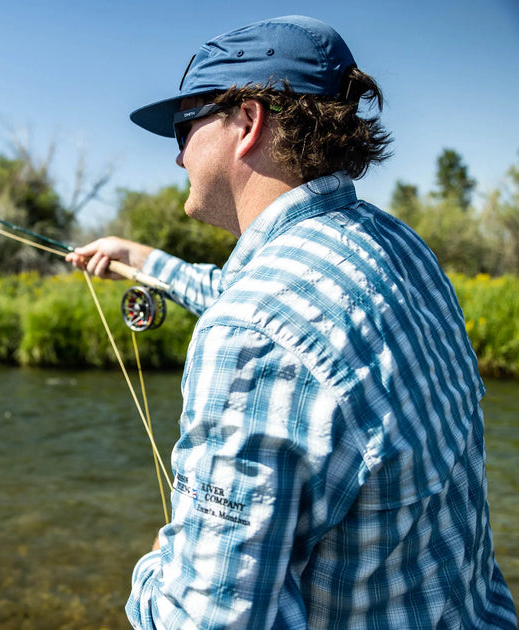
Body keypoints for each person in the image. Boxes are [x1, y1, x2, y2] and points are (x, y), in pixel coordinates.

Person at [67, 15, 516, 629]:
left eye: (184, 125)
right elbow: (256, 300)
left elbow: (207, 621)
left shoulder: (248, 333)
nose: (175, 154)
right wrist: (142, 260)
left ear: (248, 123)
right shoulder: (401, 246)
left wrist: (157, 569)